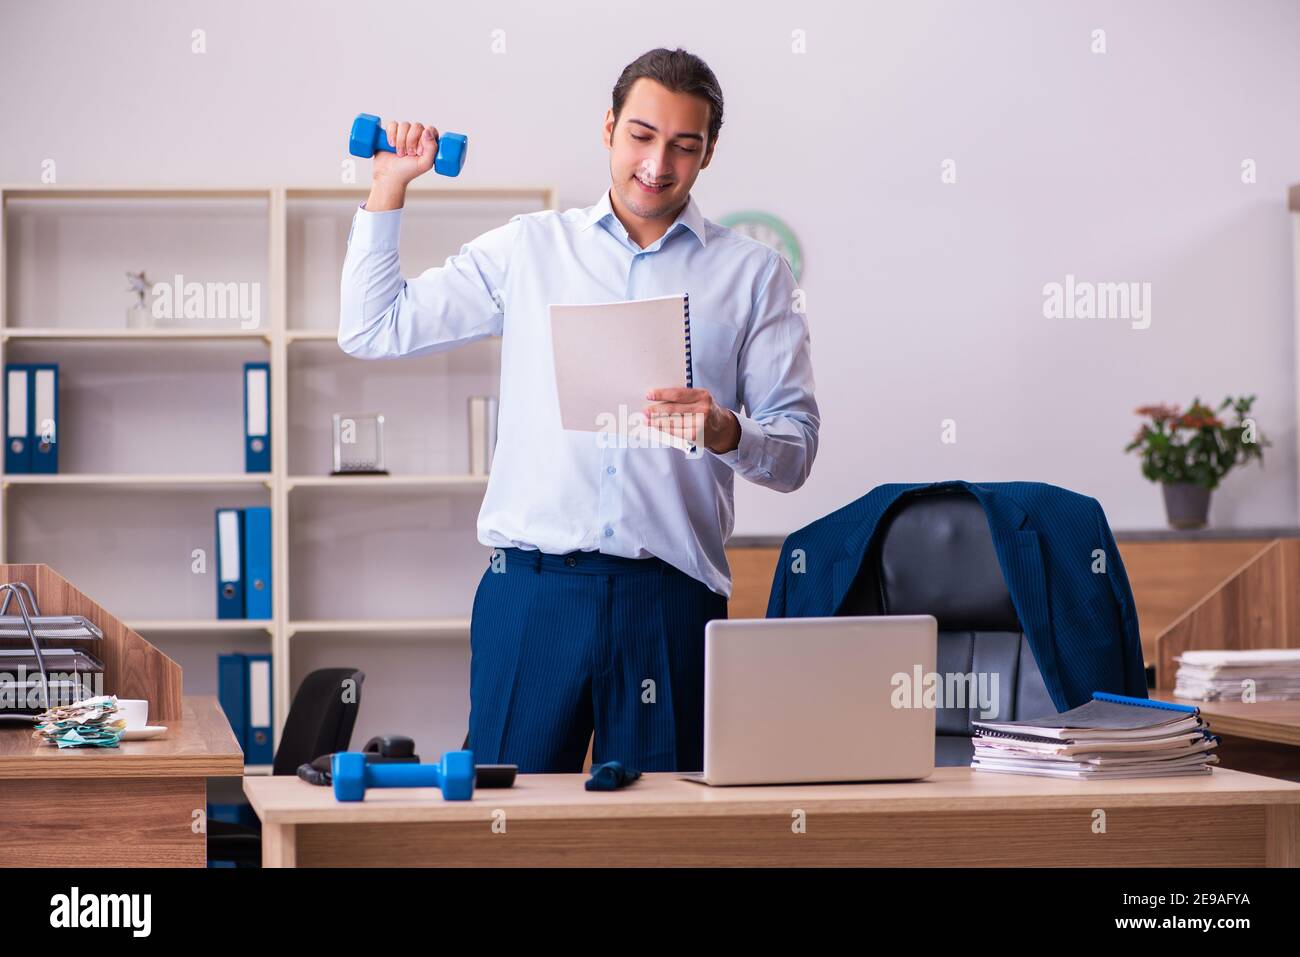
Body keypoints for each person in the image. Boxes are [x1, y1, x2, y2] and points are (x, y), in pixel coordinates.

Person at [339, 47, 819, 772]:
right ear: (609, 127)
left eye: (684, 146)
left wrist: (725, 428)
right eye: (642, 136)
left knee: (667, 836)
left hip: (670, 600)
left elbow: (795, 449)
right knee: (508, 824)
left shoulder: (753, 275)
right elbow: (373, 328)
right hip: (531, 597)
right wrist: (388, 187)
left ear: (709, 153)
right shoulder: (531, 249)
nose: (658, 164)